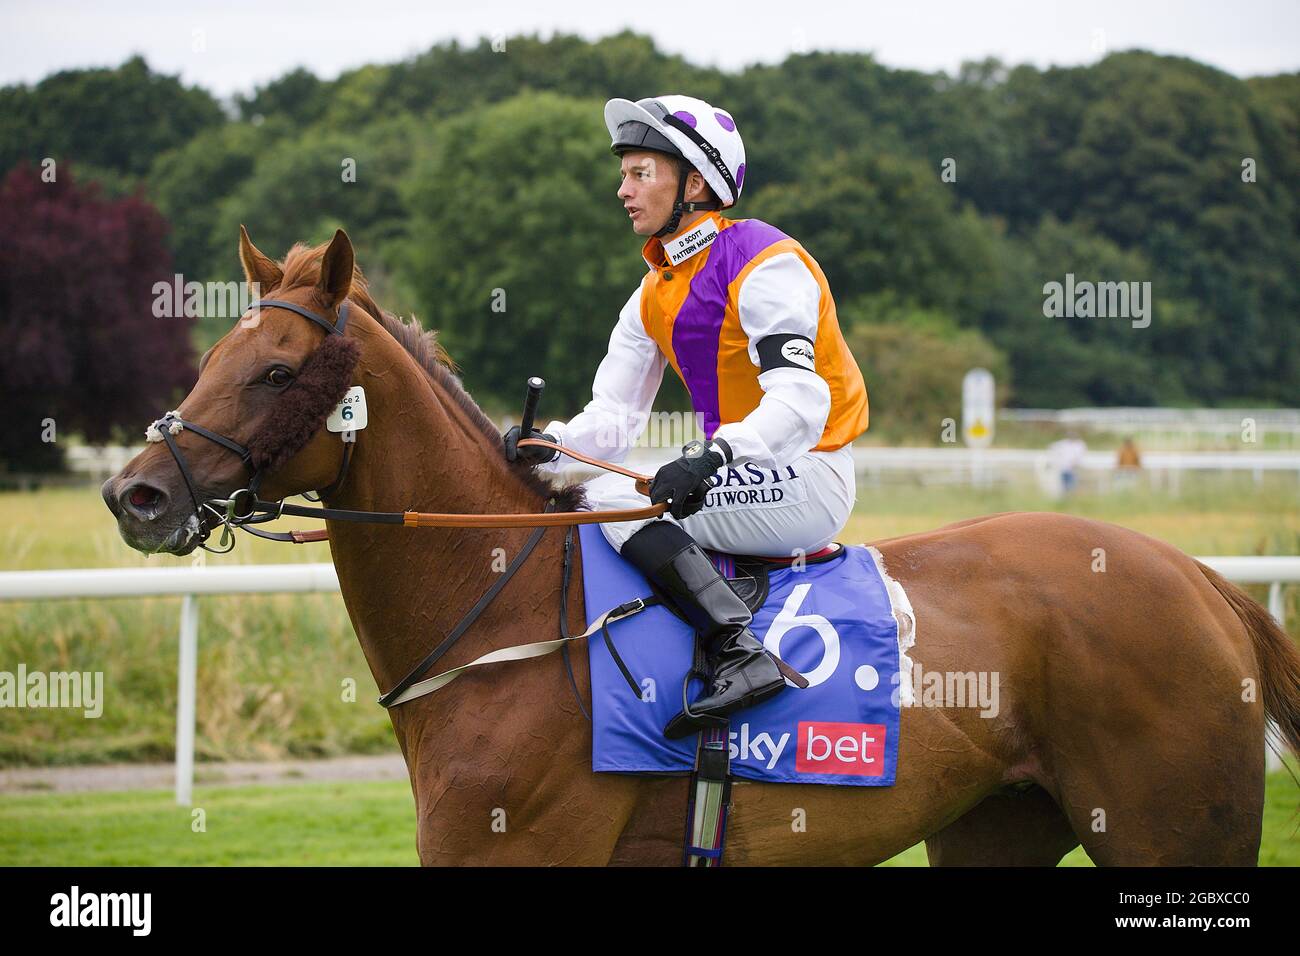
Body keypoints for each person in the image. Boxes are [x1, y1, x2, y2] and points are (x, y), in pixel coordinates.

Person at [504, 95, 869, 738]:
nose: (622, 190)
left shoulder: (765, 262)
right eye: (623, 173)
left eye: (640, 173)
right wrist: (548, 449)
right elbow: (614, 417)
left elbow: (801, 402)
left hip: (810, 474)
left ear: (694, 184)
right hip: (745, 472)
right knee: (598, 485)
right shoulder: (653, 290)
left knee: (614, 498)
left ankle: (739, 649)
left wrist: (713, 455)